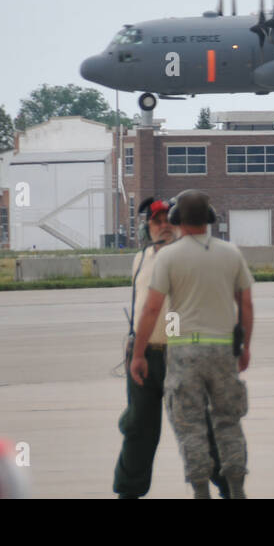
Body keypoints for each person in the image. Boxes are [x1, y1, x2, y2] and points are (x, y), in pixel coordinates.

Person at [131, 189, 253, 499]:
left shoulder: (168, 256)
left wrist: (137, 352)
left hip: (184, 352)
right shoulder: (231, 253)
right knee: (228, 423)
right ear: (210, 219)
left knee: (191, 426)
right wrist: (245, 346)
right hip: (224, 350)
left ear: (176, 220)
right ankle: (236, 487)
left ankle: (200, 490)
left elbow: (151, 309)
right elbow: (246, 305)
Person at [114, 196, 230, 499]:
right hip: (145, 355)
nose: (164, 226)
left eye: (169, 220)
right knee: (138, 427)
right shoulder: (141, 259)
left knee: (199, 427)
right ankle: (128, 491)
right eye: (157, 221)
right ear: (147, 228)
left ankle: (229, 485)